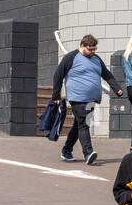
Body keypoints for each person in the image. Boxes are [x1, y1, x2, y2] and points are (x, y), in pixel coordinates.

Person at [51, 34, 123, 165]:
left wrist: (116, 88)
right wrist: (55, 96)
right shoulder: (70, 58)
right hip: (77, 97)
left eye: (94, 49)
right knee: (84, 123)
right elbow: (58, 76)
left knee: (80, 124)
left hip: (92, 98)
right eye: (90, 49)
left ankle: (66, 150)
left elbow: (107, 74)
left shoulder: (96, 59)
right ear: (82, 46)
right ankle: (88, 153)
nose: (93, 52)